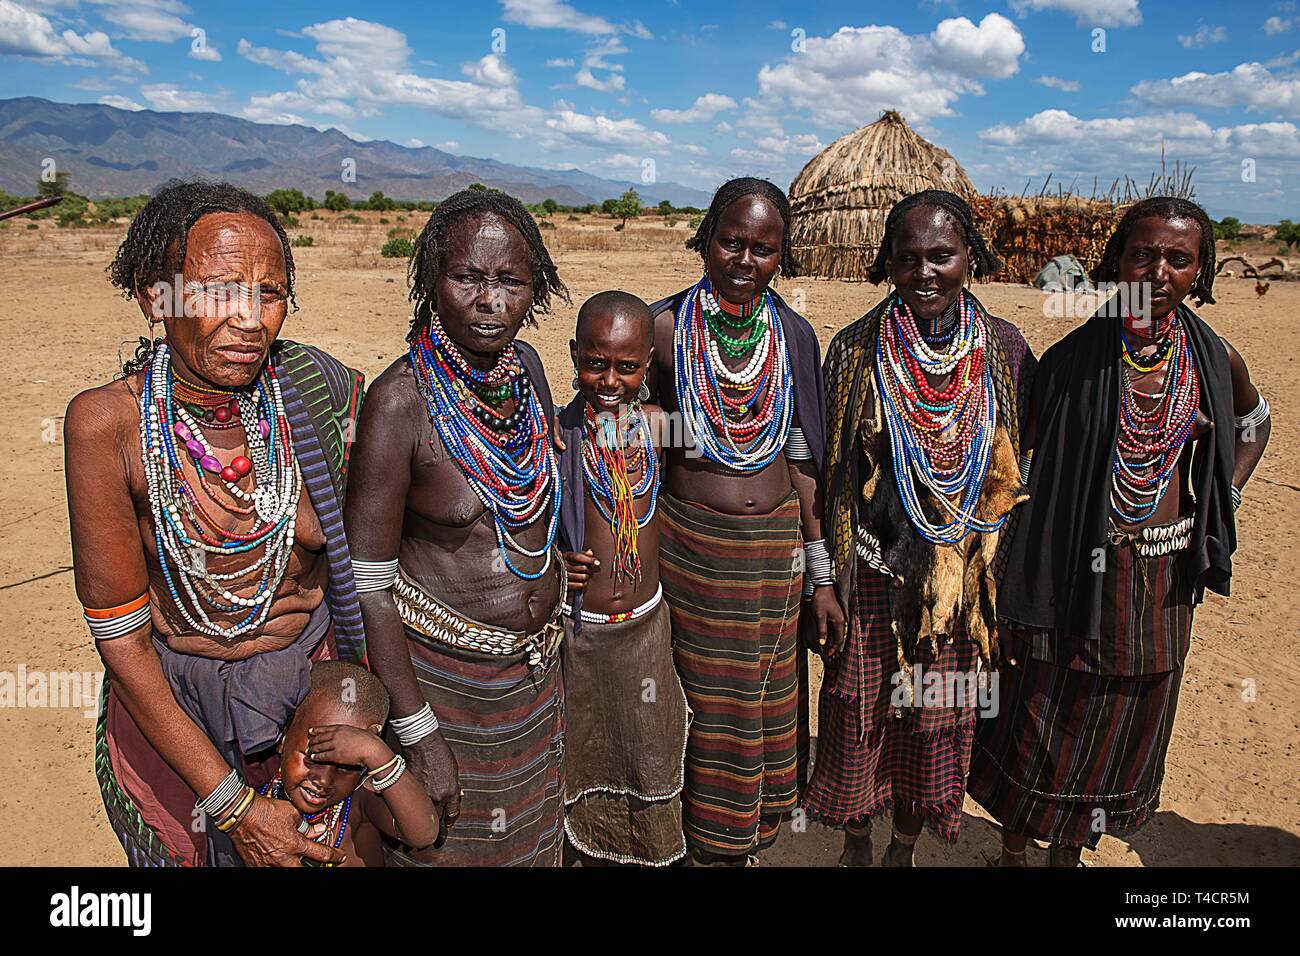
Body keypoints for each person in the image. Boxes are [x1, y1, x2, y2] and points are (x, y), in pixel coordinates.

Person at [68, 181, 366, 867]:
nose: (251, 321)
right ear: (155, 294)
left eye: (270, 293)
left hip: (309, 720)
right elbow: (124, 643)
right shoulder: (107, 426)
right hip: (180, 722)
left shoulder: (322, 394)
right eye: (218, 291)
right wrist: (236, 809)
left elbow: (378, 555)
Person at [968, 197, 1271, 866]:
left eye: (1179, 259)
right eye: (1143, 253)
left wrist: (1225, 493)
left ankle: (1068, 853)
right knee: (1042, 705)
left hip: (1162, 576)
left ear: (1201, 271)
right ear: (1117, 261)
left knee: (1125, 717)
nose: (1158, 271)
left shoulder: (1215, 360)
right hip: (1070, 564)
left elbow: (1255, 423)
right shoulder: (1073, 358)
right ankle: (1014, 850)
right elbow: (1023, 463)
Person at [802, 190, 1036, 866]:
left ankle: (903, 845)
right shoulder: (856, 350)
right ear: (889, 262)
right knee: (856, 711)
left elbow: (1024, 464)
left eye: (942, 256)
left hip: (957, 584)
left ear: (971, 257)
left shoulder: (1004, 351)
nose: (925, 272)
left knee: (934, 718)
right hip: (873, 570)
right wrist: (825, 581)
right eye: (908, 259)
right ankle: (856, 840)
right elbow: (827, 471)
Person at [344, 189, 569, 866]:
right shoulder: (398, 404)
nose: (490, 301)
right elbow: (369, 587)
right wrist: (420, 736)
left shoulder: (525, 370)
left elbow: (531, 491)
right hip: (447, 689)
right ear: (431, 281)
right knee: (456, 847)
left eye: (511, 281)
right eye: (468, 277)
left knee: (533, 842)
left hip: (535, 677)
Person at [648, 177, 842, 865]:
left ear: (781, 257)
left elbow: (805, 460)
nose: (744, 260)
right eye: (731, 241)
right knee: (697, 700)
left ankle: (746, 838)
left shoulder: (793, 336)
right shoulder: (664, 328)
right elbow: (630, 453)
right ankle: (689, 839)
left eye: (764, 248)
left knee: (764, 696)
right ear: (706, 238)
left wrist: (821, 578)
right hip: (690, 552)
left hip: (775, 557)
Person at [556, 291, 689, 867]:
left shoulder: (660, 429)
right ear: (573, 355)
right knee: (578, 757)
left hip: (645, 631)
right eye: (595, 362)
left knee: (644, 749)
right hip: (579, 635)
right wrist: (556, 565)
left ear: (649, 367)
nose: (610, 380)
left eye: (628, 367)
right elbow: (523, 520)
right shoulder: (557, 434)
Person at [262, 660, 437, 865]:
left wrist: (377, 753)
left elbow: (423, 834)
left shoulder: (360, 800)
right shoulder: (261, 792)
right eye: (313, 758)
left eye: (346, 767)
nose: (325, 780)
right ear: (283, 739)